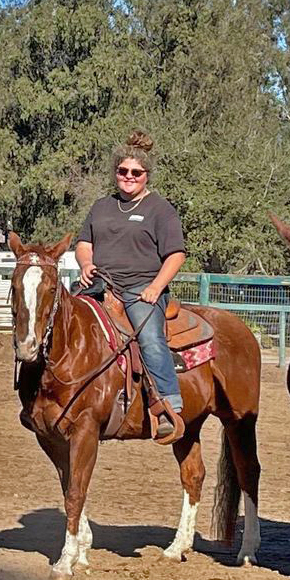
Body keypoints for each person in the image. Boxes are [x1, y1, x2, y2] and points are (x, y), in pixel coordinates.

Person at [76, 131, 187, 443]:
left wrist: (155, 288)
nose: (128, 177)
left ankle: (167, 405)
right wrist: (86, 264)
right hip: (99, 284)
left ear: (146, 175)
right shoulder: (101, 206)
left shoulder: (160, 209)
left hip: (140, 288)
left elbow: (175, 254)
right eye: (122, 171)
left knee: (150, 338)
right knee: (60, 322)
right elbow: (84, 244)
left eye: (136, 172)